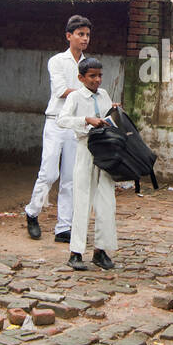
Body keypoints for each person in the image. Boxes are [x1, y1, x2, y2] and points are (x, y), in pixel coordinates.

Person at [24, 15, 92, 242]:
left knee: (71, 177)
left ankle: (63, 227)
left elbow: (93, 94)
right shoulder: (57, 61)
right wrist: (88, 92)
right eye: (80, 34)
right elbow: (61, 90)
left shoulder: (89, 63)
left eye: (87, 35)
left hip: (77, 124)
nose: (84, 38)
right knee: (49, 173)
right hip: (56, 121)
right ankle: (32, 212)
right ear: (69, 36)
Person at [56, 57, 118, 272]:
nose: (97, 80)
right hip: (85, 150)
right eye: (92, 76)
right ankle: (76, 252)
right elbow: (61, 120)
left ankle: (101, 251)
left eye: (100, 75)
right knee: (82, 200)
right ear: (81, 77)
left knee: (106, 201)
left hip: (106, 153)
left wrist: (112, 114)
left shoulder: (104, 95)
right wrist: (86, 120)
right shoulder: (75, 97)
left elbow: (109, 117)